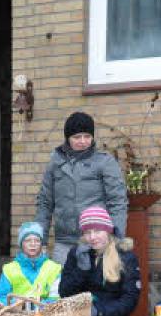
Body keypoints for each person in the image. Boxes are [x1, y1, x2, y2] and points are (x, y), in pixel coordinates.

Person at [35, 111, 128, 266]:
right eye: (77, 137)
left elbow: (117, 202)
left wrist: (116, 239)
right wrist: (40, 240)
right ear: (67, 138)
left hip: (96, 241)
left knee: (97, 288)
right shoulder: (55, 164)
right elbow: (45, 203)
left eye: (87, 136)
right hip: (64, 242)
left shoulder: (105, 162)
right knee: (63, 288)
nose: (83, 141)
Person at [0, 222, 62, 304]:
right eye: (28, 240)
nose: (33, 244)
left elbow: (56, 299)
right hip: (15, 314)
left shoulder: (53, 268)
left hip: (44, 314)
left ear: (41, 244)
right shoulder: (10, 269)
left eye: (37, 240)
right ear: (21, 244)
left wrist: (39, 304)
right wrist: (18, 303)